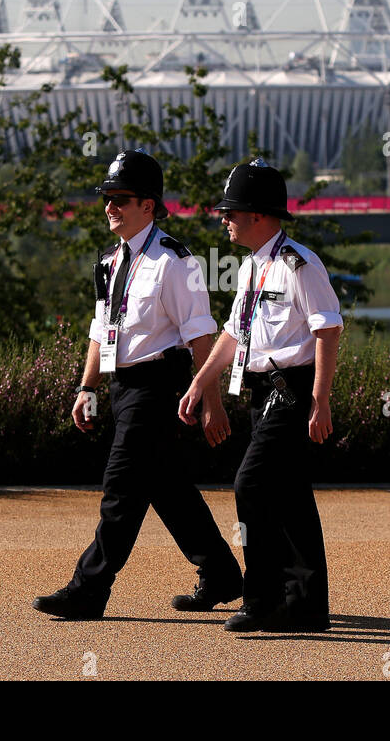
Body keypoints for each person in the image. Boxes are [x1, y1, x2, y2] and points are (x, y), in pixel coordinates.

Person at [32, 149, 243, 620]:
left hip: (156, 388)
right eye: (107, 198)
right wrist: (87, 387)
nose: (110, 207)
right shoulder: (110, 261)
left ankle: (89, 589)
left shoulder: (176, 262)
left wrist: (212, 401)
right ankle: (223, 574)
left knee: (121, 489)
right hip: (121, 388)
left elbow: (200, 336)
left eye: (121, 199)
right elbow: (99, 328)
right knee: (168, 489)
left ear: (149, 205)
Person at [178, 157, 343, 633]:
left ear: (260, 215)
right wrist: (200, 382)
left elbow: (328, 330)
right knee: (290, 496)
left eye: (232, 210)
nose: (224, 218)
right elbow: (233, 334)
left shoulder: (300, 265)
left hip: (290, 392)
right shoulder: (252, 266)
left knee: (251, 484)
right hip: (260, 392)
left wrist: (319, 400)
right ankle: (306, 607)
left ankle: (263, 599)